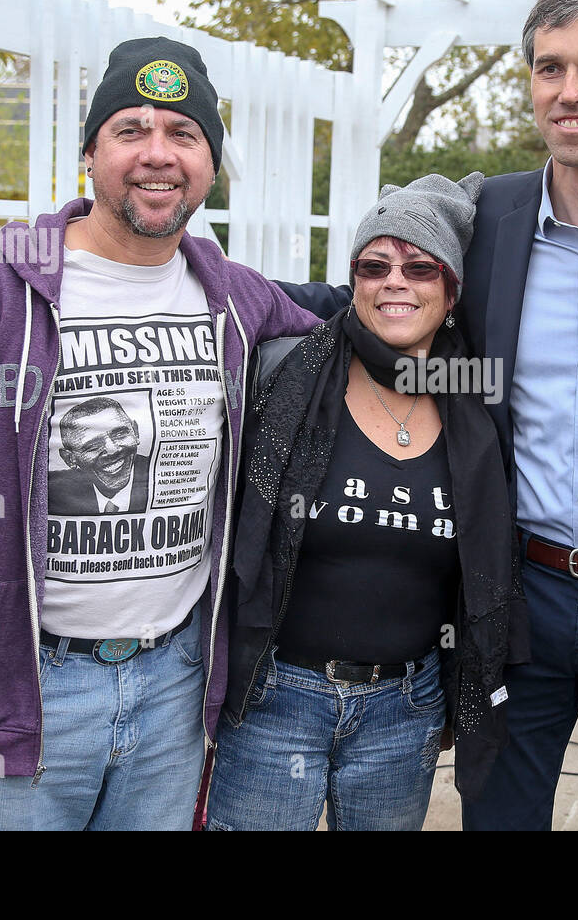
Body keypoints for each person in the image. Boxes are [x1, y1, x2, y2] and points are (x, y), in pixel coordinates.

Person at [281, 0, 578, 830]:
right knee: (496, 816)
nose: (570, 91)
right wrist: (203, 289)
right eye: (549, 68)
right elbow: (382, 291)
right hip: (512, 594)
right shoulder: (484, 213)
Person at [0, 36, 318, 830]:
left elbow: (352, 330)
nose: (157, 155)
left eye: (183, 134)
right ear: (91, 153)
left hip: (175, 684)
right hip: (23, 689)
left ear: (209, 162)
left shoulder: (234, 298)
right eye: (131, 129)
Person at [205, 173, 525, 830]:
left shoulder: (477, 401)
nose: (395, 281)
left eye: (420, 266)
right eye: (374, 265)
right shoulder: (289, 374)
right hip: (276, 698)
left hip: (404, 709)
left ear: (452, 287)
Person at [47, 396, 151, 515]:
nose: (112, 450)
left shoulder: (164, 471)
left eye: (120, 434)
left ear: (135, 432)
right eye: (93, 446)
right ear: (70, 459)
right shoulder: (54, 490)